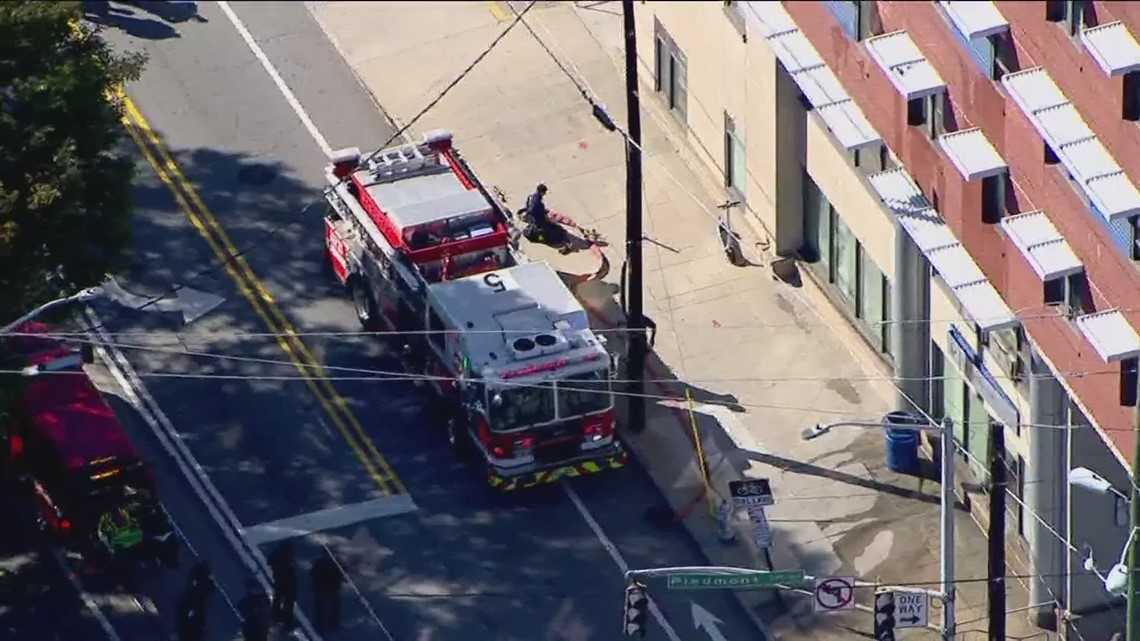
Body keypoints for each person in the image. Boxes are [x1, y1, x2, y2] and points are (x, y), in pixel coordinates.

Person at [310, 549, 345, 632]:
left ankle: (323, 622)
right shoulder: (336, 562)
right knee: (332, 605)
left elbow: (312, 574)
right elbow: (344, 573)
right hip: (330, 587)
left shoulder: (319, 562)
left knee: (323, 605)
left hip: (324, 587)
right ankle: (331, 622)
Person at [267, 540, 298, 630]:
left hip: (278, 580)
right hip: (288, 582)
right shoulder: (288, 557)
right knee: (289, 602)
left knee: (277, 598)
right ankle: (288, 622)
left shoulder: (275, 553)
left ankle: (275, 615)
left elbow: (269, 562)